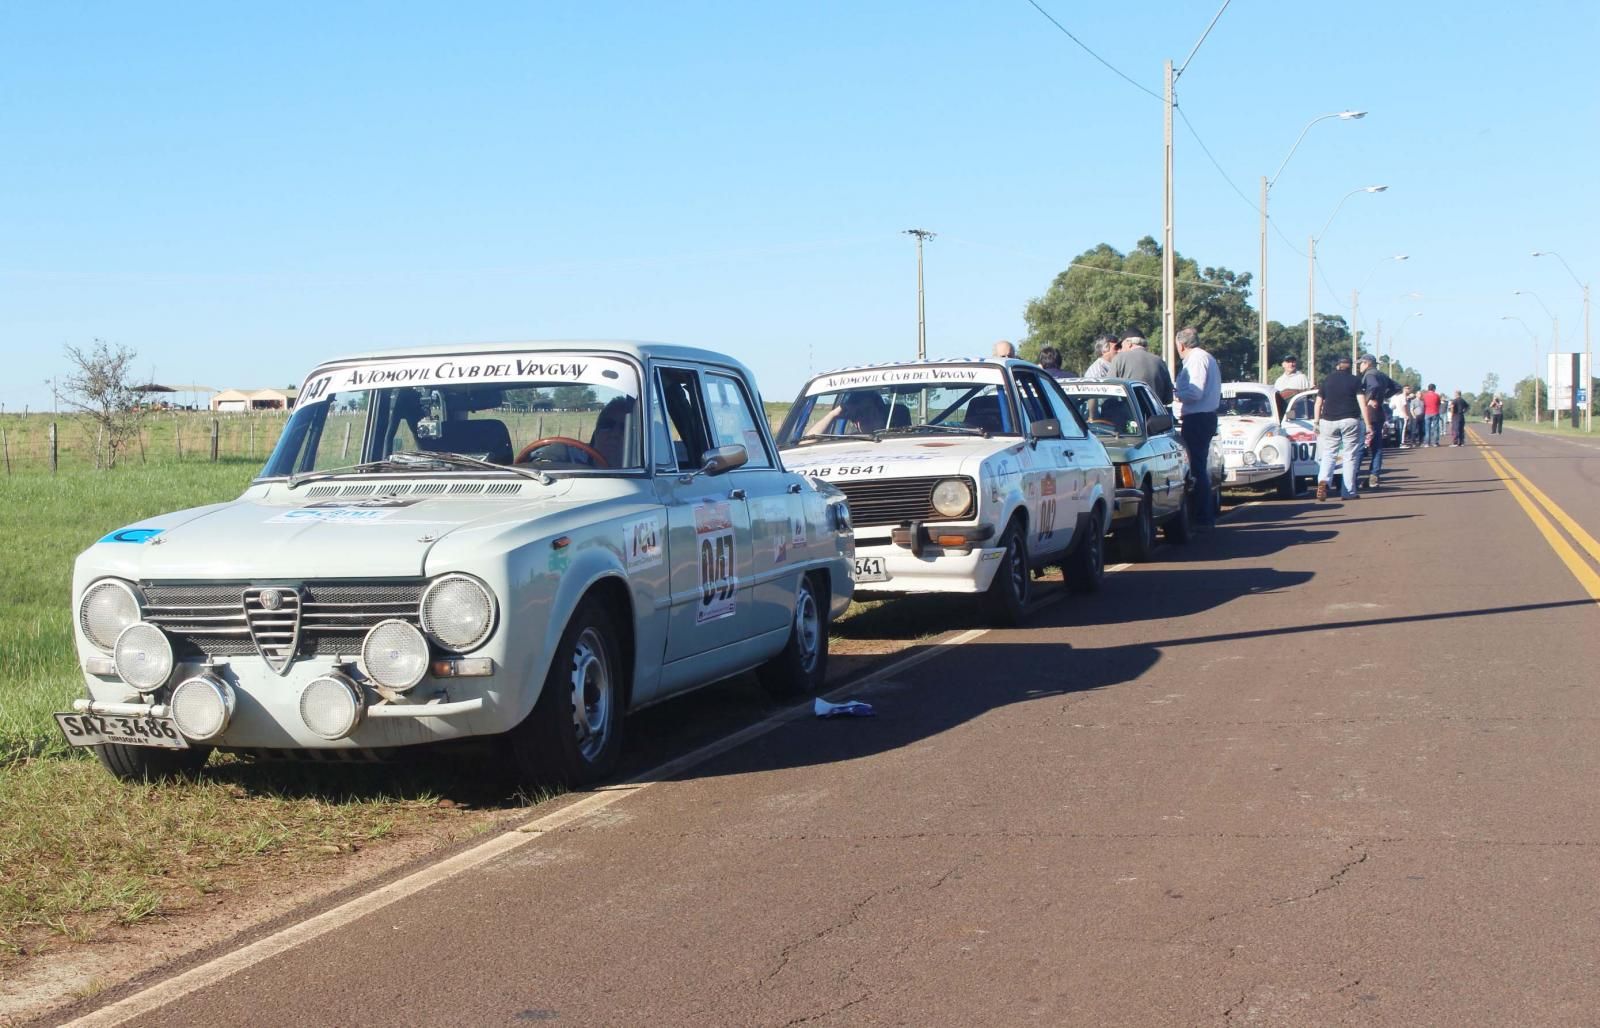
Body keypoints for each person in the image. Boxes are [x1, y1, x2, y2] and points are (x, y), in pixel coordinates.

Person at [1172, 327, 1220, 526]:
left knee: (1196, 468)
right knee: (1197, 466)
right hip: (1202, 417)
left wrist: (1176, 393)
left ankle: (1202, 517)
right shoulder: (1204, 357)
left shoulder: (1196, 359)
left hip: (1198, 418)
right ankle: (1202, 515)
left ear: (1181, 345)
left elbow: (1195, 391)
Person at [1313, 355, 1365, 501]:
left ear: (1337, 366)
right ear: (1350, 367)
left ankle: (1323, 480)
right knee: (1349, 456)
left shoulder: (1327, 380)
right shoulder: (1355, 380)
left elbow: (1318, 403)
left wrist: (1316, 422)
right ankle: (1348, 492)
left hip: (1328, 420)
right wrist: (1368, 423)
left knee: (1329, 453)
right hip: (1350, 420)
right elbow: (1361, 402)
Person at [1356, 355, 1398, 489]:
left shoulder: (1369, 375)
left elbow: (1373, 386)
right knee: (1377, 446)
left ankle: (1353, 476)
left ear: (1367, 363)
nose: (1359, 367)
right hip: (1379, 412)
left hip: (1369, 413)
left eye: (1361, 364)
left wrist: (1367, 400)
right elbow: (1397, 387)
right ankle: (1374, 476)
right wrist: (1383, 397)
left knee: (1361, 446)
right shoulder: (1381, 375)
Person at [1108, 332, 1174, 404]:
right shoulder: (1160, 362)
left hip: (1128, 413)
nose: (1119, 350)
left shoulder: (1119, 359)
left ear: (1129, 343)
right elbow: (1168, 398)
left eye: (1121, 346)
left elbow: (1109, 389)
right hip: (1155, 413)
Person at [815, 390, 888, 435]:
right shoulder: (847, 442)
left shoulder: (896, 437)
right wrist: (833, 414)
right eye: (863, 414)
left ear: (883, 416)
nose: (870, 418)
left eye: (873, 414)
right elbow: (807, 444)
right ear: (856, 424)